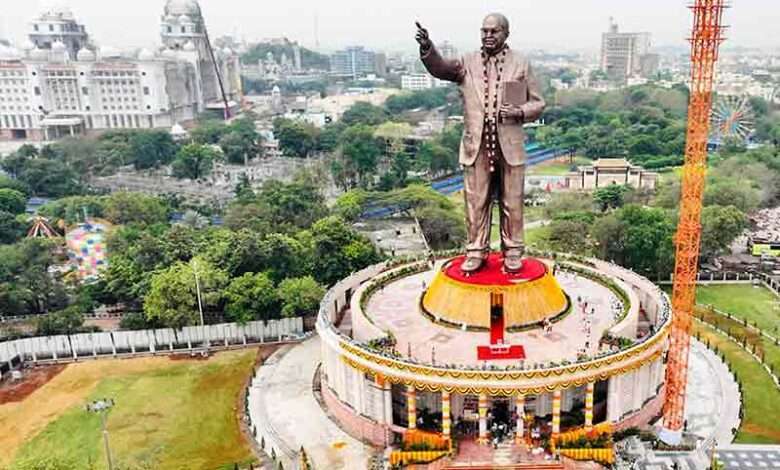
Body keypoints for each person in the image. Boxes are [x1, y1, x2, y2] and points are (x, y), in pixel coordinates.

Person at [415, 14, 545, 273]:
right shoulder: (467, 62)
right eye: (484, 31)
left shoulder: (521, 63)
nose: (488, 35)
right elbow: (441, 68)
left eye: (494, 31)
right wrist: (428, 48)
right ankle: (476, 250)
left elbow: (539, 102)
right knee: (476, 202)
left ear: (506, 33)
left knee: (512, 202)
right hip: (476, 145)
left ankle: (513, 251)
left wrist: (520, 112)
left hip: (510, 145)